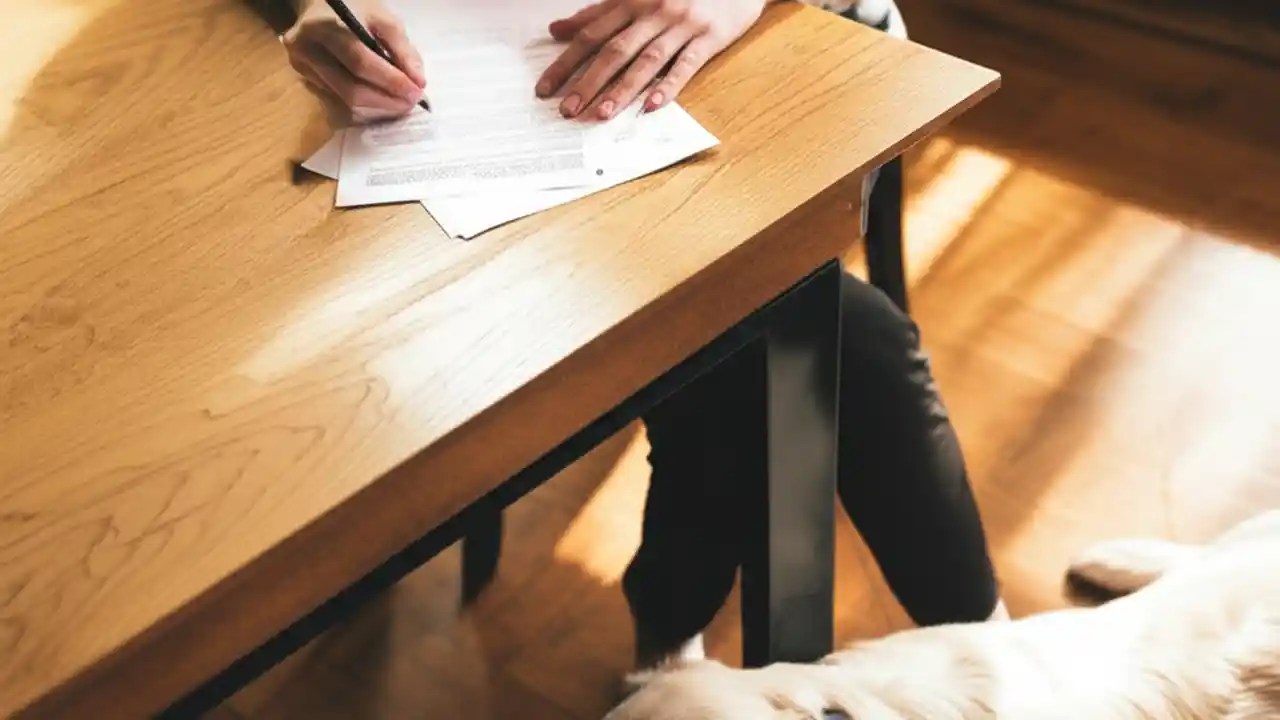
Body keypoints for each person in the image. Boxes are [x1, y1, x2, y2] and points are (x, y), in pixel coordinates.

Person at [282, 0, 1006, 674]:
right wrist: (321, 11)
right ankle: (997, 662)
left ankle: (671, 632)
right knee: (750, 342)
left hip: (780, 53)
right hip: (504, 87)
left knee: (778, 331)